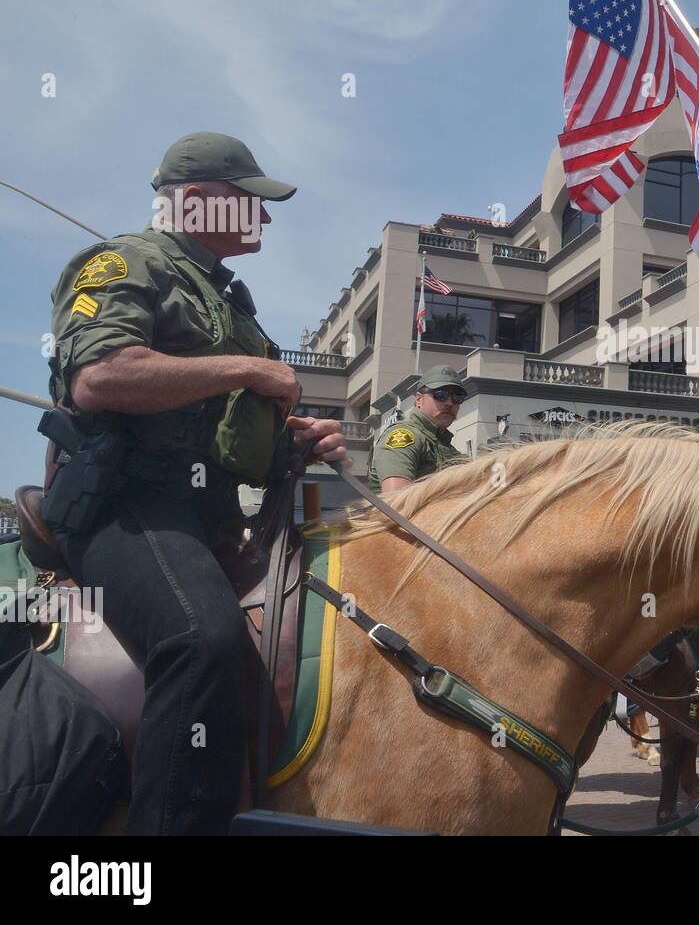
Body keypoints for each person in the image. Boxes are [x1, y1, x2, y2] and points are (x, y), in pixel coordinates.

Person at [44, 132, 349, 835]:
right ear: (205, 199)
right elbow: (99, 377)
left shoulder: (228, 301)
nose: (264, 220)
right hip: (126, 506)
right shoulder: (127, 261)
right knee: (200, 635)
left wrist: (299, 438)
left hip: (210, 514)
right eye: (254, 204)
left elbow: (225, 429)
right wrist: (246, 370)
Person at [367, 365, 465, 493]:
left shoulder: (450, 450)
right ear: (419, 399)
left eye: (457, 397)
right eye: (440, 395)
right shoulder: (404, 435)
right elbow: (396, 501)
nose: (449, 403)